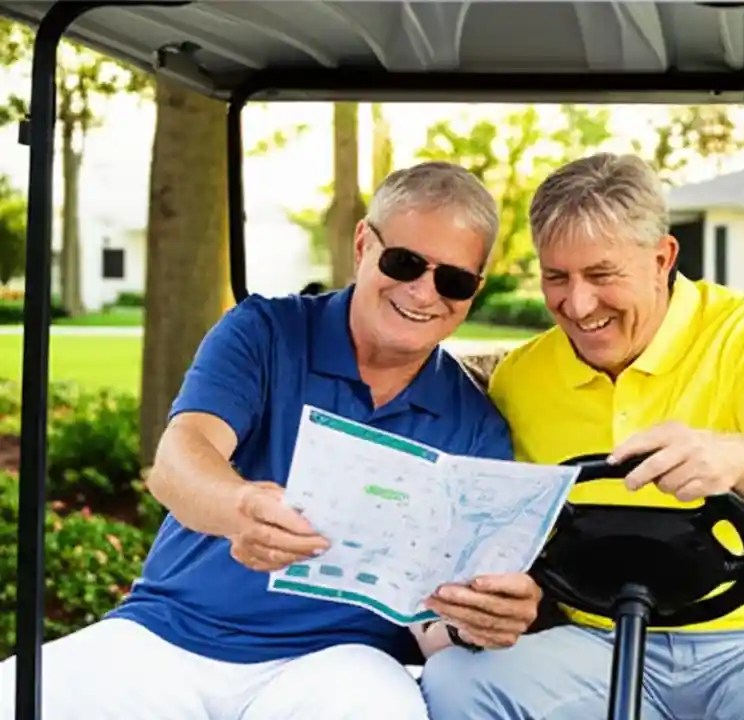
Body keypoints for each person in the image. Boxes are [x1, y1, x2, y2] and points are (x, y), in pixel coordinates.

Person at [0, 161, 542, 719]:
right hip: (172, 634)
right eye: (403, 263)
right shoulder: (264, 332)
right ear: (363, 243)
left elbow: (433, 623)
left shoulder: (474, 424)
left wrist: (478, 620)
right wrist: (242, 507)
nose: (424, 292)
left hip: (342, 664)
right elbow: (178, 459)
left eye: (453, 280)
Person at [419, 153, 744, 718]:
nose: (576, 304)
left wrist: (733, 454)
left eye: (601, 275)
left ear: (661, 259)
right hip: (603, 639)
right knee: (458, 681)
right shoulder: (522, 377)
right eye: (556, 277)